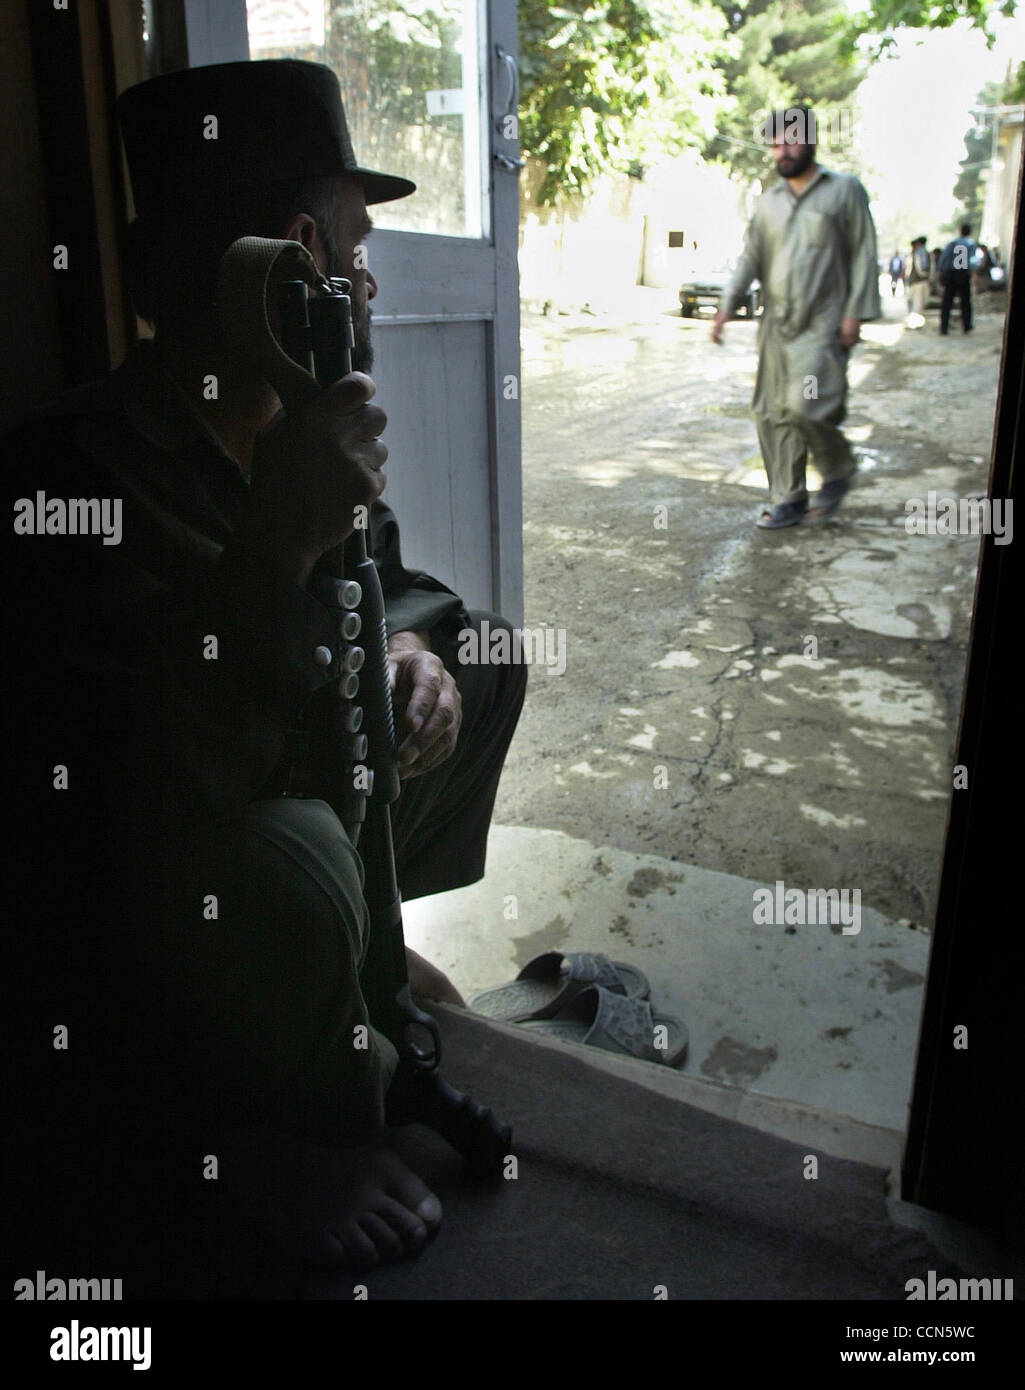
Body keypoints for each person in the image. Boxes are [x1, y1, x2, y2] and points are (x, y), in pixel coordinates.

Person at [3, 59, 526, 1294]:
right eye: (354, 244)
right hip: (150, 943)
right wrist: (276, 540)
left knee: (480, 654)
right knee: (284, 860)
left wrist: (408, 648)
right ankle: (242, 1144)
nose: (369, 277)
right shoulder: (65, 484)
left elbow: (390, 583)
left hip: (273, 801)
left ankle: (361, 962)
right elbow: (133, 803)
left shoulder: (290, 416)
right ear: (295, 259)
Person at [711, 105, 880, 528]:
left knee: (805, 405)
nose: (783, 151)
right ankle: (788, 498)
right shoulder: (769, 202)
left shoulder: (843, 190)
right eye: (776, 144)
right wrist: (727, 305)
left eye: (791, 140)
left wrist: (855, 314)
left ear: (811, 141)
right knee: (772, 413)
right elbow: (751, 256)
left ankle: (838, 468)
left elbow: (864, 252)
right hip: (775, 325)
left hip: (822, 323)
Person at [938, 221, 979, 334]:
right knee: (965, 301)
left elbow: (944, 258)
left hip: (951, 274)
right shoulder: (971, 244)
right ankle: (966, 326)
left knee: (947, 302)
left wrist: (941, 272)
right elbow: (972, 261)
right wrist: (972, 273)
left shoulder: (953, 243)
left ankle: (943, 327)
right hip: (963, 274)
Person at [906, 236, 931, 327]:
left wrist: (925, 276)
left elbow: (923, 269)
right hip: (916, 281)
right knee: (915, 301)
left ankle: (916, 322)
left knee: (917, 302)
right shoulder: (915, 253)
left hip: (918, 281)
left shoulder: (920, 253)